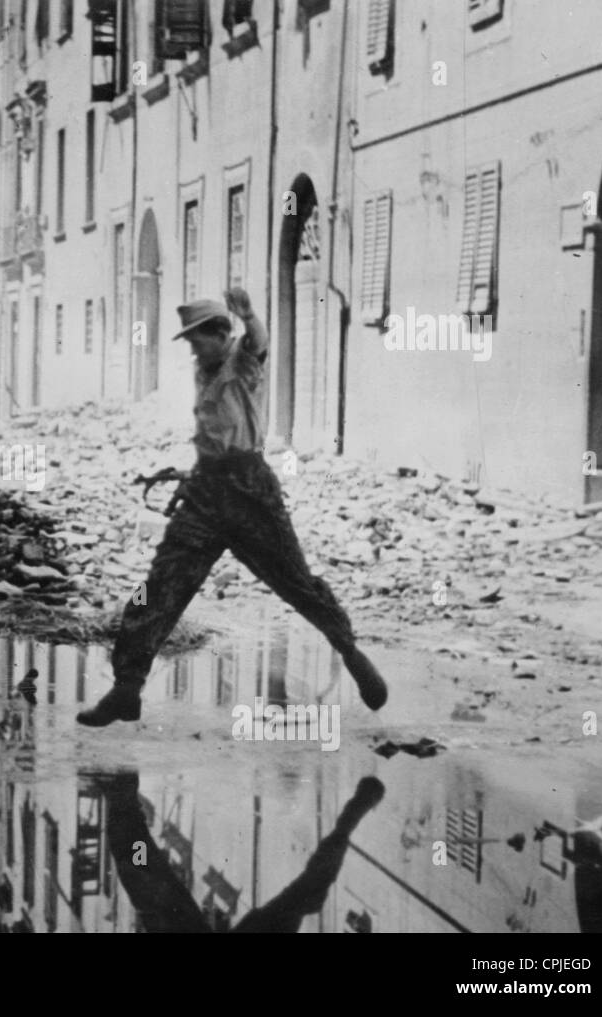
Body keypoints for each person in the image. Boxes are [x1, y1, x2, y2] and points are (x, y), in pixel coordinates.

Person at [77, 287, 388, 727]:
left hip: (249, 490)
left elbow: (257, 343)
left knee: (295, 581)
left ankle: (351, 652)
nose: (191, 347)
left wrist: (249, 315)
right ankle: (126, 687)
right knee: (159, 585)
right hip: (205, 489)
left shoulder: (241, 364)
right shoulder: (203, 370)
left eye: (197, 338)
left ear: (221, 334)